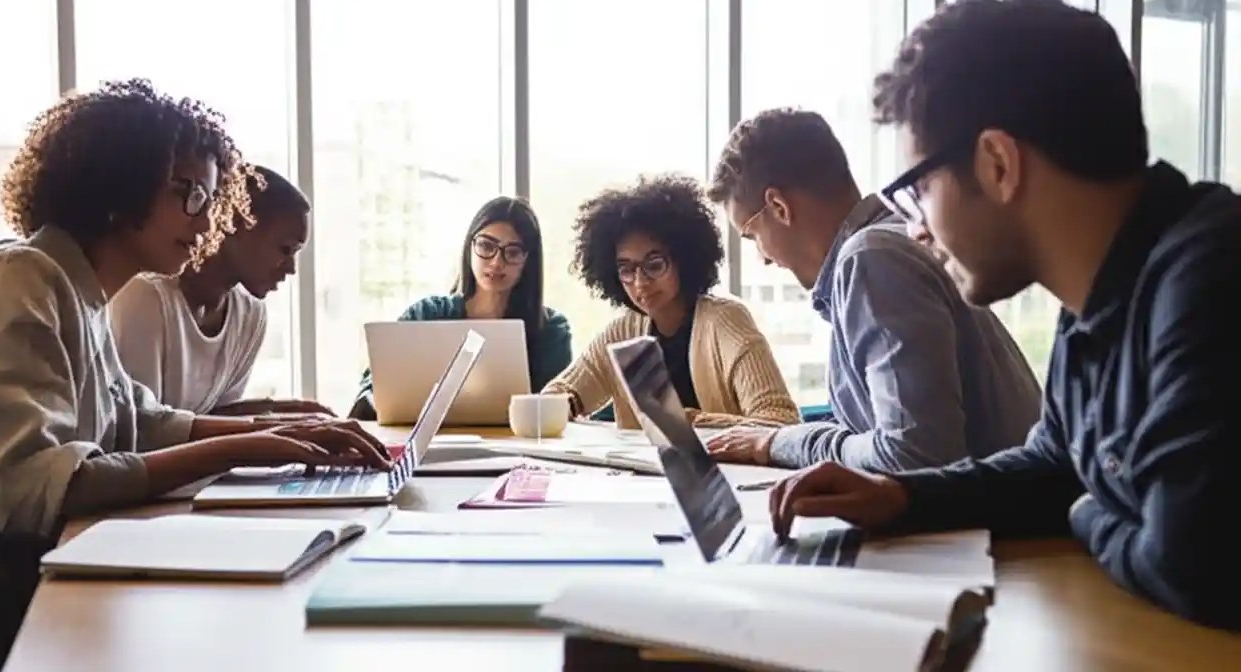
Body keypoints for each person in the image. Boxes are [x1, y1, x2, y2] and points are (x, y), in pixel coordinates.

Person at [768, 0, 1238, 631]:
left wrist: (1085, 511)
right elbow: (1054, 465)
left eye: (919, 188)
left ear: (997, 163)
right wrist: (902, 495)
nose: (918, 229)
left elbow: (1191, 564)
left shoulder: (1210, 278)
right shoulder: (1096, 303)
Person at [0, 79, 393, 670]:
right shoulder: (24, 278)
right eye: (187, 193)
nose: (205, 218)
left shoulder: (83, 293)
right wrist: (246, 447)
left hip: (48, 577)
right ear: (118, 183)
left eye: (209, 198)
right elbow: (31, 489)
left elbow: (138, 419)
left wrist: (277, 434)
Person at [704, 107, 1041, 472]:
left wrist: (779, 443)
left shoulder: (872, 260)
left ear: (779, 206)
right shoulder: (891, 243)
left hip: (1002, 526)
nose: (763, 258)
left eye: (752, 235)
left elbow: (913, 455)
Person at [543, 174, 799, 430]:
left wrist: (692, 423)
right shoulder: (622, 333)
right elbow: (559, 394)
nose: (640, 283)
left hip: (731, 470)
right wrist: (566, 404)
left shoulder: (725, 322)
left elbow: (780, 422)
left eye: (654, 265)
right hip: (641, 471)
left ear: (683, 259)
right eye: (626, 270)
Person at [110, 165, 330, 416]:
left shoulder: (250, 315)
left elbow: (215, 417)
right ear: (235, 223)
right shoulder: (147, 296)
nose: (291, 268)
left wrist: (289, 414)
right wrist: (272, 425)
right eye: (285, 249)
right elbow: (144, 430)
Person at [349, 197, 571, 419]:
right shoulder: (426, 315)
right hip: (427, 444)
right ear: (469, 246)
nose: (496, 262)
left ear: (528, 260)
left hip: (520, 449)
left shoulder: (551, 330)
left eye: (512, 252)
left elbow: (559, 408)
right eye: (486, 245)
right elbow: (374, 384)